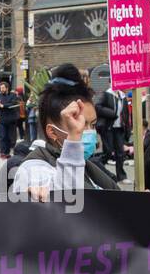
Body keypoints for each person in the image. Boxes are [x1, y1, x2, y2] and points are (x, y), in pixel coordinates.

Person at [11, 66, 119, 198]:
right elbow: (66, 200)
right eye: (78, 125)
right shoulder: (33, 169)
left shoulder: (89, 166)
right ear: (52, 132)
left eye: (93, 125)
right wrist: (73, 141)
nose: (90, 132)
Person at [93, 77, 126, 182]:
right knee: (108, 152)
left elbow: (125, 113)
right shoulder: (106, 94)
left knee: (120, 153)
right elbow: (97, 106)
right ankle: (97, 167)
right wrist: (111, 113)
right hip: (108, 128)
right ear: (110, 83)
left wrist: (128, 128)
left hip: (119, 128)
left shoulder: (122, 96)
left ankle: (121, 176)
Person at [0, 80, 20, 157]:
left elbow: (13, 104)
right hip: (1, 120)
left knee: (9, 137)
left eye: (3, 88)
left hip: (11, 120)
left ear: (7, 88)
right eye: (0, 88)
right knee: (2, 136)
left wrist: (3, 106)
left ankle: (7, 152)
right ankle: (2, 152)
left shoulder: (13, 95)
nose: (1, 89)